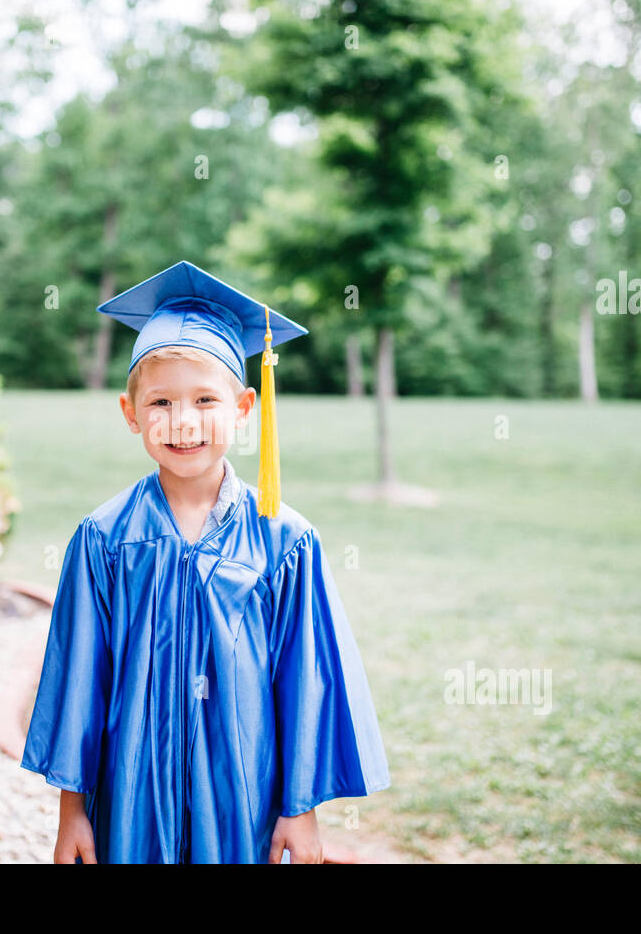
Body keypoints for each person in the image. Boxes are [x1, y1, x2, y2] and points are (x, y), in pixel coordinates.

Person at [20, 260, 390, 863]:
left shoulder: (286, 543)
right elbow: (79, 681)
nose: (184, 421)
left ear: (244, 408)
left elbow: (307, 684)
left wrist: (301, 812)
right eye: (161, 401)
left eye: (205, 399)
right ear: (130, 411)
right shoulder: (105, 539)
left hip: (245, 797)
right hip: (132, 801)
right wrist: (72, 814)